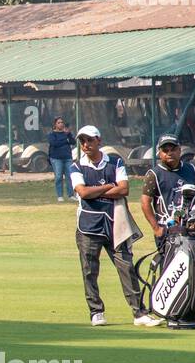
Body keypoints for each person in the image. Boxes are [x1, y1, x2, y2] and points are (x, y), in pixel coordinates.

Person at [69, 125, 161, 327]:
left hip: (115, 224)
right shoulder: (76, 166)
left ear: (98, 141)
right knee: (89, 270)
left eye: (89, 140)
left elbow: (124, 189)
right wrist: (108, 187)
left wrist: (95, 191)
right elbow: (82, 193)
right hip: (88, 226)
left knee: (126, 267)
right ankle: (96, 312)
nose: (85, 144)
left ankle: (139, 313)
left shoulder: (115, 161)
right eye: (82, 141)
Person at [139, 134, 195, 323]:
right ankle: (166, 306)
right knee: (170, 268)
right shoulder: (153, 174)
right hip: (167, 229)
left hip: (192, 227)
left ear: (180, 151)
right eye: (165, 150)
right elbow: (145, 202)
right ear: (160, 153)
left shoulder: (191, 170)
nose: (169, 153)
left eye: (173, 149)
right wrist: (155, 227)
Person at [47, 117, 77, 202]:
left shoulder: (67, 133)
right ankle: (60, 196)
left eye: (62, 122)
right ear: (55, 125)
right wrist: (65, 140)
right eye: (59, 122)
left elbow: (73, 142)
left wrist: (68, 135)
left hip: (67, 157)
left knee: (69, 176)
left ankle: (71, 195)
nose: (61, 124)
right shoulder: (52, 134)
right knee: (59, 176)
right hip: (56, 158)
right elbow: (55, 143)